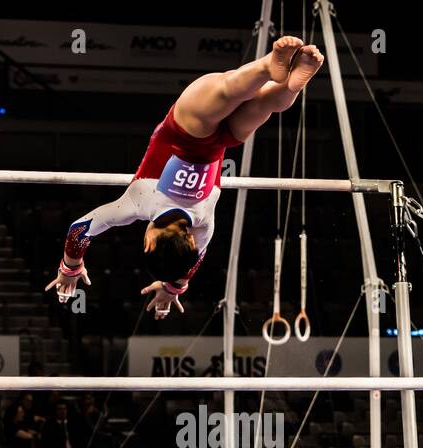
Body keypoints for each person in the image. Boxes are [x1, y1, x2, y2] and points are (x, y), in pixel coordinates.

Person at [46, 36, 324, 318]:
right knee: (227, 88)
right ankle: (268, 66)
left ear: (189, 242)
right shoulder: (138, 206)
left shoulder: (203, 225)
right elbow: (80, 230)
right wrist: (71, 268)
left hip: (227, 140)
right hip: (188, 131)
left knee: (264, 104)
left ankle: (289, 88)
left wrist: (174, 288)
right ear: (148, 242)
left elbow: (195, 261)